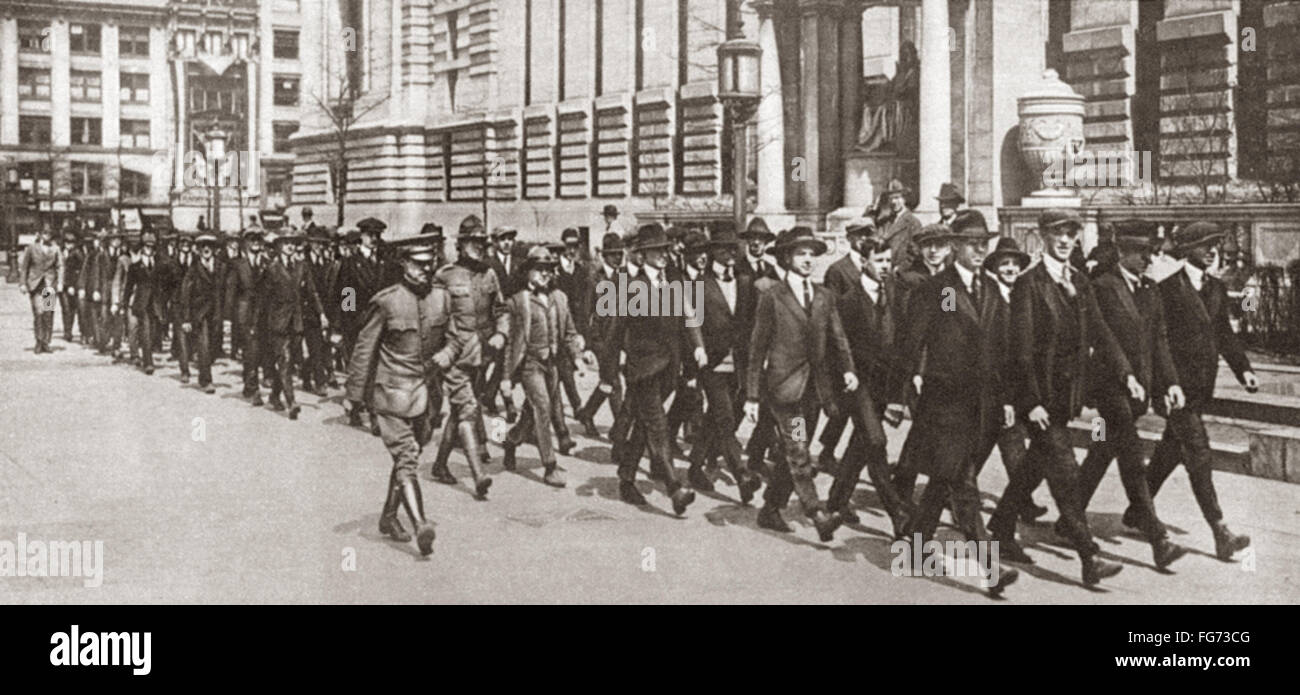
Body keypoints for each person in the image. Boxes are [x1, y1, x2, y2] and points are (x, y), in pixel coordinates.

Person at [987, 208, 1137, 587]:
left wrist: (1126, 372)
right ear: (1041, 237)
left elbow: (1100, 331)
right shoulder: (1028, 284)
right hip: (1038, 397)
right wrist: (1031, 401)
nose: (1066, 241)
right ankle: (1089, 557)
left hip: (1067, 396)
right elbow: (1020, 352)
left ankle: (1001, 527)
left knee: (1035, 462)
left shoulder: (1079, 282)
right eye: (1058, 234)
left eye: (1071, 234)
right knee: (1064, 467)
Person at [892, 211, 1018, 594]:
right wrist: (901, 393)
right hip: (944, 401)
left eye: (984, 243)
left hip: (980, 403)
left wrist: (1008, 397)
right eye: (971, 243)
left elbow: (1002, 348)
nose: (980, 250)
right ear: (956, 247)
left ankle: (911, 547)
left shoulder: (992, 288)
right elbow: (915, 340)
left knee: (943, 481)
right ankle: (989, 567)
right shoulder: (943, 290)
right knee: (964, 482)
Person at [1070, 220, 1189, 571]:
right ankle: (1157, 538)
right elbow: (1103, 337)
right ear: (1122, 252)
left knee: (1102, 450)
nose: (1148, 259)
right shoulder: (1103, 287)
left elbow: (1160, 342)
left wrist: (1171, 382)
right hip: (1109, 385)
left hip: (1137, 389)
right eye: (1141, 253)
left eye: (1151, 252)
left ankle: (1068, 516)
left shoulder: (1150, 290)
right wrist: (1126, 375)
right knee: (1132, 457)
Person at [1139, 220, 1256, 562]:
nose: (1212, 250)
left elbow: (1225, 336)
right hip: (1174, 390)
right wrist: (1163, 386)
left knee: (1170, 452)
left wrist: (1244, 369)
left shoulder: (1216, 289)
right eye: (1206, 244)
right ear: (1187, 250)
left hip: (1200, 388)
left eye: (1215, 243)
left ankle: (1136, 508)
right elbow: (1156, 343)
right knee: (1198, 452)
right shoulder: (1165, 290)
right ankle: (1220, 531)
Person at [346, 233, 466, 556]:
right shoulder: (386, 301)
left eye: (429, 265)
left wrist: (448, 354)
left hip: (426, 395)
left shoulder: (441, 299)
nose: (425, 271)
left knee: (406, 458)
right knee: (407, 457)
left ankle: (388, 516)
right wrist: (355, 395)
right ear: (403, 265)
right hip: (391, 394)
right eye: (418, 265)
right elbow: (364, 347)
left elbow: (456, 339)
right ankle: (421, 525)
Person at [743, 226, 855, 541]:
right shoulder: (772, 296)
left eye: (811, 254)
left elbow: (839, 337)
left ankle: (770, 508)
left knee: (794, 451)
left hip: (815, 388)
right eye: (800, 253)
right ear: (787, 257)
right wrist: (752, 395)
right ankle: (816, 512)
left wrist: (847, 369)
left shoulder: (824, 296)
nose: (807, 260)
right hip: (784, 387)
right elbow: (757, 348)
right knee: (798, 448)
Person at [600, 223, 705, 516]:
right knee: (657, 425)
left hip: (669, 369)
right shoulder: (630, 288)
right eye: (655, 251)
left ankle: (626, 477)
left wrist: (697, 347)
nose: (662, 255)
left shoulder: (674, 283)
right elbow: (614, 334)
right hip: (642, 369)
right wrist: (607, 375)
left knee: (645, 425)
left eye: (664, 250)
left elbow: (689, 318)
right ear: (642, 255)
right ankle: (675, 488)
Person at [822, 220, 911, 538]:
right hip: (857, 385)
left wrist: (899, 394)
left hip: (884, 386)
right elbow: (836, 345)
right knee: (876, 442)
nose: (885, 267)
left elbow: (902, 344)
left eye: (888, 261)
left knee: (860, 446)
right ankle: (898, 516)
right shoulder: (848, 302)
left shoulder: (895, 294)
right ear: (865, 263)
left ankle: (834, 503)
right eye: (879, 262)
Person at [501, 246, 593, 488]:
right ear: (528, 272)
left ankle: (510, 441)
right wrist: (506, 377)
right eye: (539, 269)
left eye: (549, 270)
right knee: (543, 406)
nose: (545, 274)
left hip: (552, 364)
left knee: (531, 415)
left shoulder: (560, 299)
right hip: (530, 364)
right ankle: (550, 467)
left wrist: (578, 358)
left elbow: (570, 333)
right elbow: (510, 344)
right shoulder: (518, 301)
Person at [684, 224, 762, 503]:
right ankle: (742, 475)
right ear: (712, 252)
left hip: (738, 362)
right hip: (712, 363)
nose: (731, 252)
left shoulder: (744, 281)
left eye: (733, 247)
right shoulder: (697, 286)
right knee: (726, 418)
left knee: (714, 419)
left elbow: (751, 322)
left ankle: (694, 466)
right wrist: (695, 358)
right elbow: (691, 323)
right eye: (724, 248)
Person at [428, 215, 507, 485]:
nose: (478, 247)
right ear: (461, 245)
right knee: (469, 409)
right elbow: (434, 319)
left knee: (460, 412)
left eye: (481, 242)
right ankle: (478, 475)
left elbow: (501, 309)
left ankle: (439, 465)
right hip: (454, 356)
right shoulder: (445, 276)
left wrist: (501, 333)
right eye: (472, 242)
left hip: (481, 355)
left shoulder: (489, 274)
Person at [259, 228, 327, 420]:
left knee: (289, 361)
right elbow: (264, 299)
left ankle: (274, 395)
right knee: (286, 360)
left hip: (301, 320)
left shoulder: (306, 265)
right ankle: (292, 401)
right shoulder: (271, 268)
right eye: (286, 242)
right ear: (279, 245)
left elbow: (317, 292)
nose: (319, 247)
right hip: (280, 321)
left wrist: (324, 314)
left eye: (293, 243)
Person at [574, 233, 627, 436]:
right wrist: (587, 344)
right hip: (601, 338)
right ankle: (620, 431)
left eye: (620, 253)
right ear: (605, 255)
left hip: (618, 336)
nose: (617, 257)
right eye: (613, 254)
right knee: (614, 382)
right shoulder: (594, 279)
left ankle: (587, 413)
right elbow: (585, 312)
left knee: (607, 381)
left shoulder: (624, 277)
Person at [338, 218, 388, 425]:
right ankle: (355, 407)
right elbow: (346, 294)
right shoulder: (351, 263)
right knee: (359, 368)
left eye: (377, 235)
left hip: (381, 322)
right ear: (362, 237)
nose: (374, 239)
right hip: (358, 324)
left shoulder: (385, 261)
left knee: (376, 369)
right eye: (370, 235)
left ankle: (375, 414)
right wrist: (350, 324)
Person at [180, 233, 226, 394]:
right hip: (199, 314)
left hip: (216, 313)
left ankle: (202, 373)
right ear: (199, 250)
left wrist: (226, 315)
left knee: (213, 347)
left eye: (209, 246)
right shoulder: (193, 268)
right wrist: (186, 318)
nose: (206, 249)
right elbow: (185, 293)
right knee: (204, 345)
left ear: (214, 249)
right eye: (203, 246)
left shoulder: (221, 267)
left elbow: (226, 291)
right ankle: (207, 380)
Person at [231, 229, 269, 404]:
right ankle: (254, 389)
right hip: (245, 313)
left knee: (259, 351)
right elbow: (231, 292)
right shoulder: (238, 264)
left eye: (258, 239)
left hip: (263, 312)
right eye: (252, 239)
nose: (256, 243)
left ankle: (249, 384)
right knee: (251, 350)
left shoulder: (266, 262)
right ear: (245, 242)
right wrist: (228, 318)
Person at [18, 225, 64, 354]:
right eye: (44, 233)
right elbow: (25, 267)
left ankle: (46, 342)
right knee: (38, 313)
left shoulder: (55, 249)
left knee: (48, 313)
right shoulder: (31, 248)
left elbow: (60, 266)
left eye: (49, 234)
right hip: (35, 284)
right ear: (39, 234)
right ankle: (38, 341)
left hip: (49, 285)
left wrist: (60, 282)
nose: (47, 236)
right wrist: (22, 283)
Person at [875, 178, 921, 272]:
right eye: (890, 198)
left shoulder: (913, 223)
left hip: (901, 274)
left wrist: (900, 269)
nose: (893, 202)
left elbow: (916, 252)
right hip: (883, 270)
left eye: (897, 198)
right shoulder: (885, 222)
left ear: (904, 199)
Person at [59, 228, 83, 343]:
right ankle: (66, 331)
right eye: (67, 242)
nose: (69, 245)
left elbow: (79, 271)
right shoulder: (59, 252)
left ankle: (68, 332)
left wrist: (73, 285)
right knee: (64, 308)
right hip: (59, 285)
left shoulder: (77, 253)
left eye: (71, 242)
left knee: (70, 308)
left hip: (71, 287)